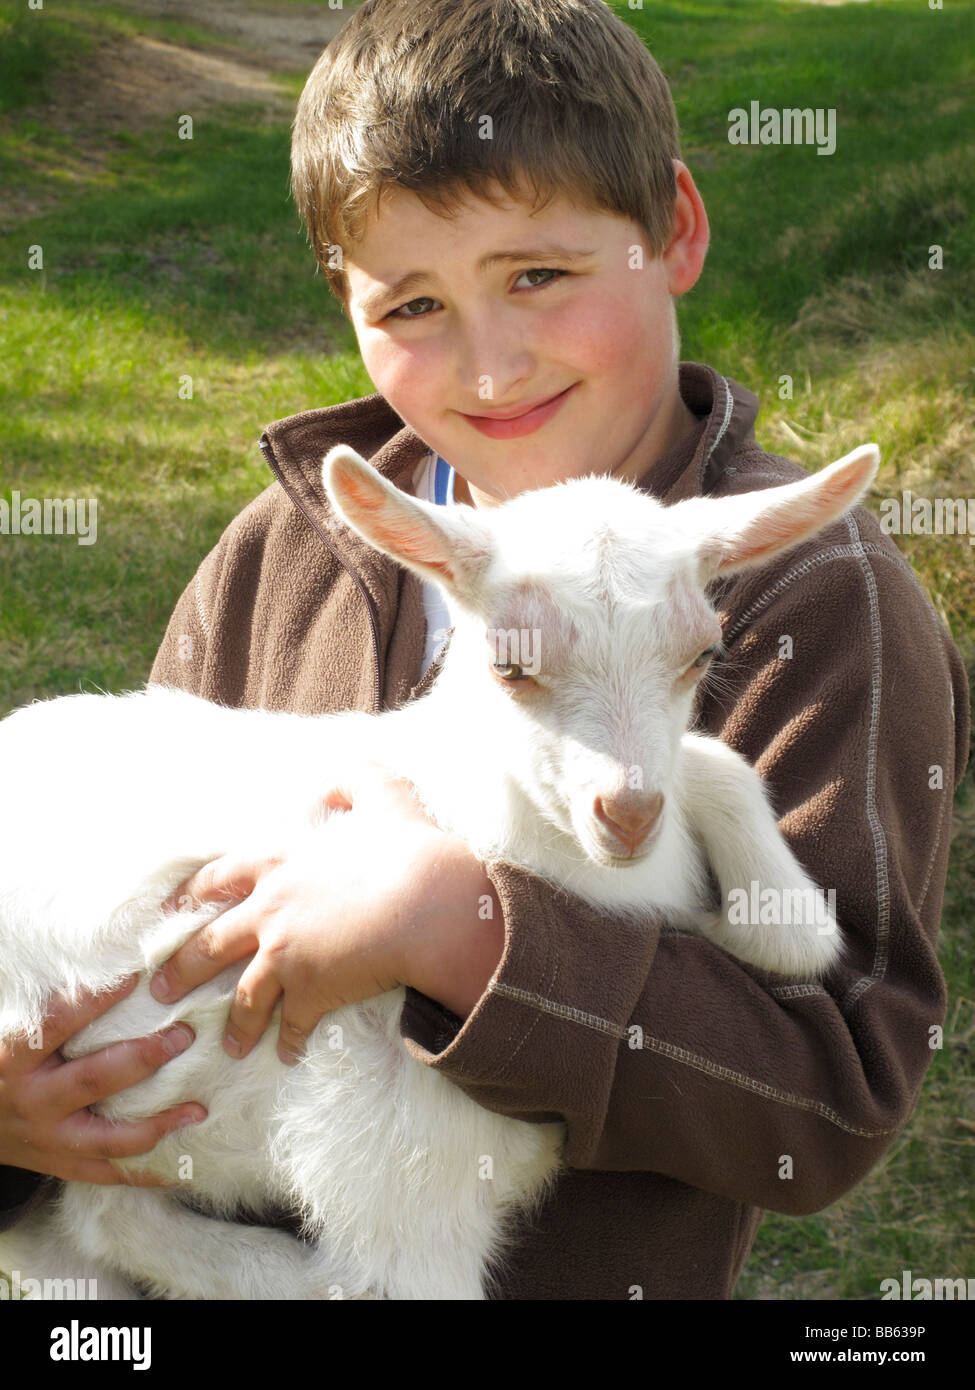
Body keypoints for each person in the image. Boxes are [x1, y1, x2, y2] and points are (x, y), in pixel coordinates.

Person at [0, 0, 968, 1300]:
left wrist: (461, 933)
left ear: (674, 229)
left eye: (538, 277)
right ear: (342, 306)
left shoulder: (816, 599)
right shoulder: (282, 558)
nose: (493, 365)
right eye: (413, 303)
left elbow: (833, 1098)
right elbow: (116, 928)